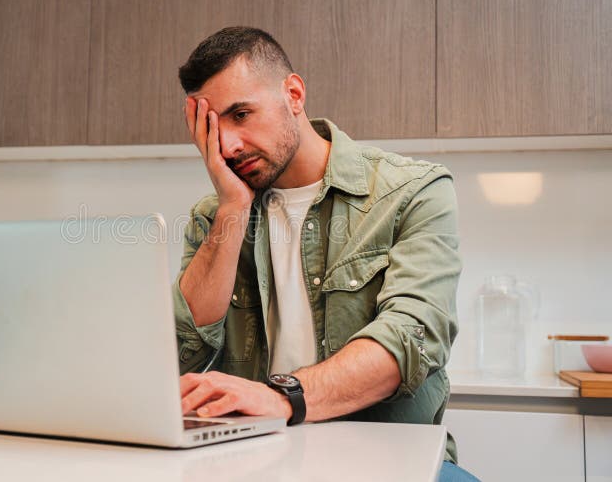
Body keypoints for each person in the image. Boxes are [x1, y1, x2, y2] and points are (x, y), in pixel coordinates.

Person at [173, 26, 477, 481]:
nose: (229, 146)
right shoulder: (214, 216)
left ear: (293, 94)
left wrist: (283, 397)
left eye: (241, 114)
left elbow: (410, 339)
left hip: (387, 460)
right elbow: (182, 358)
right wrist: (233, 207)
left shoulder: (414, 192)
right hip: (257, 461)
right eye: (215, 128)